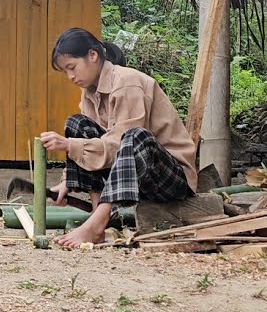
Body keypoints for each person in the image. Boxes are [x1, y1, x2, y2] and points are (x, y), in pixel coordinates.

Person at [40, 28, 198, 249]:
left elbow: (119, 144)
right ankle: (98, 215)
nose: (70, 77)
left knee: (135, 137)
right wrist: (67, 181)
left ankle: (97, 222)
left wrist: (68, 145)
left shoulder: (127, 82)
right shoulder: (89, 93)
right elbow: (94, 142)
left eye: (72, 68)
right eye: (66, 72)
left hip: (170, 179)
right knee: (78, 124)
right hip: (133, 177)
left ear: (93, 55)